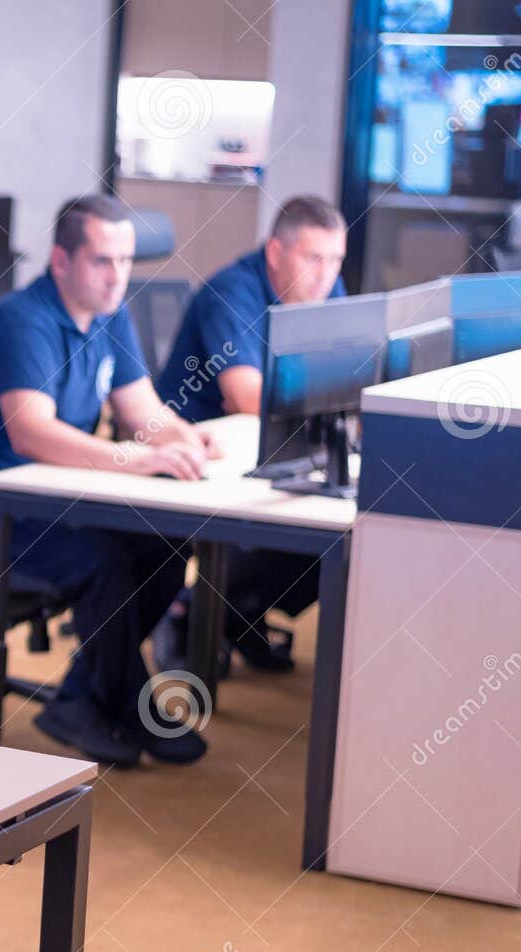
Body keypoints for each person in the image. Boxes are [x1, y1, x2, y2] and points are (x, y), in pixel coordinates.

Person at [0, 194, 218, 768]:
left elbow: (142, 412)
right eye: (102, 261)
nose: (118, 276)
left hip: (50, 506)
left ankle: (81, 698)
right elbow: (31, 433)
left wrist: (186, 438)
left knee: (164, 545)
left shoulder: (109, 314)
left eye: (126, 261)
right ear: (61, 261)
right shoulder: (23, 321)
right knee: (102, 560)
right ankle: (127, 703)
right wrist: (133, 459)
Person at [152, 196, 348, 673]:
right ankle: (187, 614)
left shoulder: (322, 289)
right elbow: (245, 396)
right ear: (276, 252)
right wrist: (332, 401)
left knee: (340, 537)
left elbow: (346, 371)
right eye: (313, 258)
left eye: (336, 259)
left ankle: (235, 612)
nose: (326, 274)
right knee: (308, 528)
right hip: (202, 456)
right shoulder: (232, 292)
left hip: (274, 448)